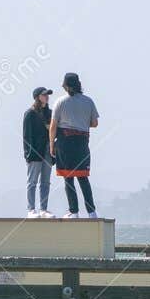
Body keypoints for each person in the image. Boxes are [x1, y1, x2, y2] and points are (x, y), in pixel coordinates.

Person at [49, 72, 99, 219]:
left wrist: (52, 144)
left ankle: (74, 211)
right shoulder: (88, 101)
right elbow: (95, 123)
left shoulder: (60, 102)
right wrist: (82, 122)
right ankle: (92, 212)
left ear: (66, 86)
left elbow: (53, 125)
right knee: (83, 177)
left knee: (68, 177)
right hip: (82, 142)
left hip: (65, 142)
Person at [22, 87, 53, 217]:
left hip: (48, 150)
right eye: (44, 94)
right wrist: (29, 154)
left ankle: (43, 209)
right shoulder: (30, 113)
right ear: (37, 97)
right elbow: (26, 136)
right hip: (35, 152)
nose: (47, 96)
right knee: (32, 181)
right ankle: (31, 209)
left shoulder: (51, 113)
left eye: (47, 94)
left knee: (46, 182)